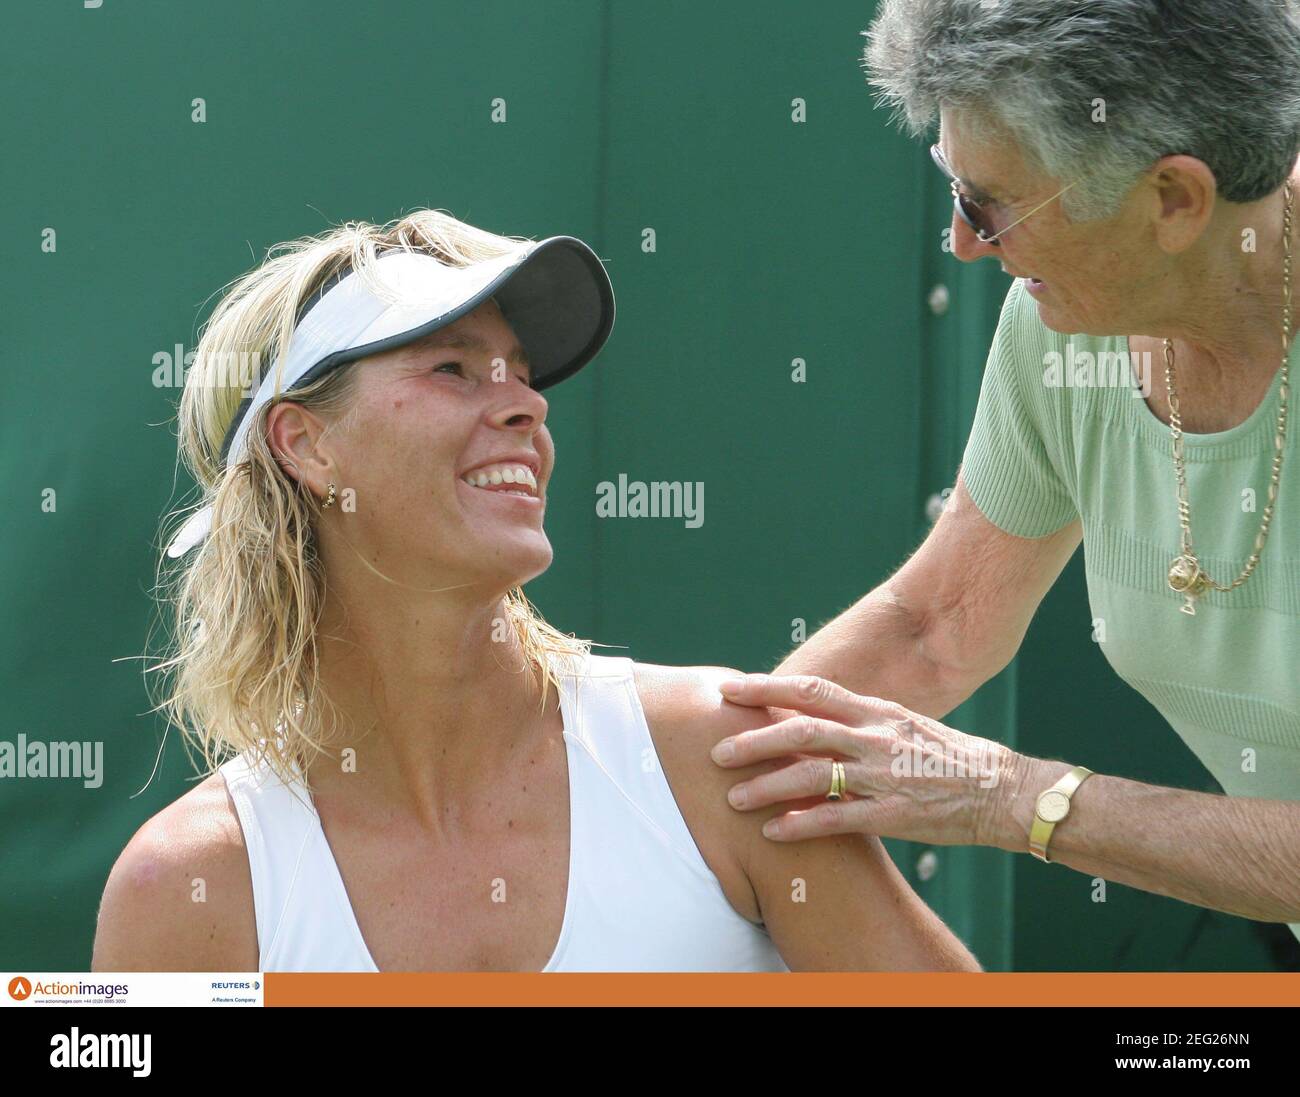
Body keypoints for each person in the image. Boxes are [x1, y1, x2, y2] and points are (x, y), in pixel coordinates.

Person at [91, 210, 977, 972]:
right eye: (453, 369)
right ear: (308, 446)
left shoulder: (723, 760)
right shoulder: (184, 887)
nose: (528, 406)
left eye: (520, 371)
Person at [710, 0, 1300, 946]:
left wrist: (1014, 798)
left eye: (992, 205)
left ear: (1176, 201)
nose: (963, 243)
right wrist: (701, 792)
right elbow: (936, 625)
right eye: (952, 187)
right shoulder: (1064, 324)